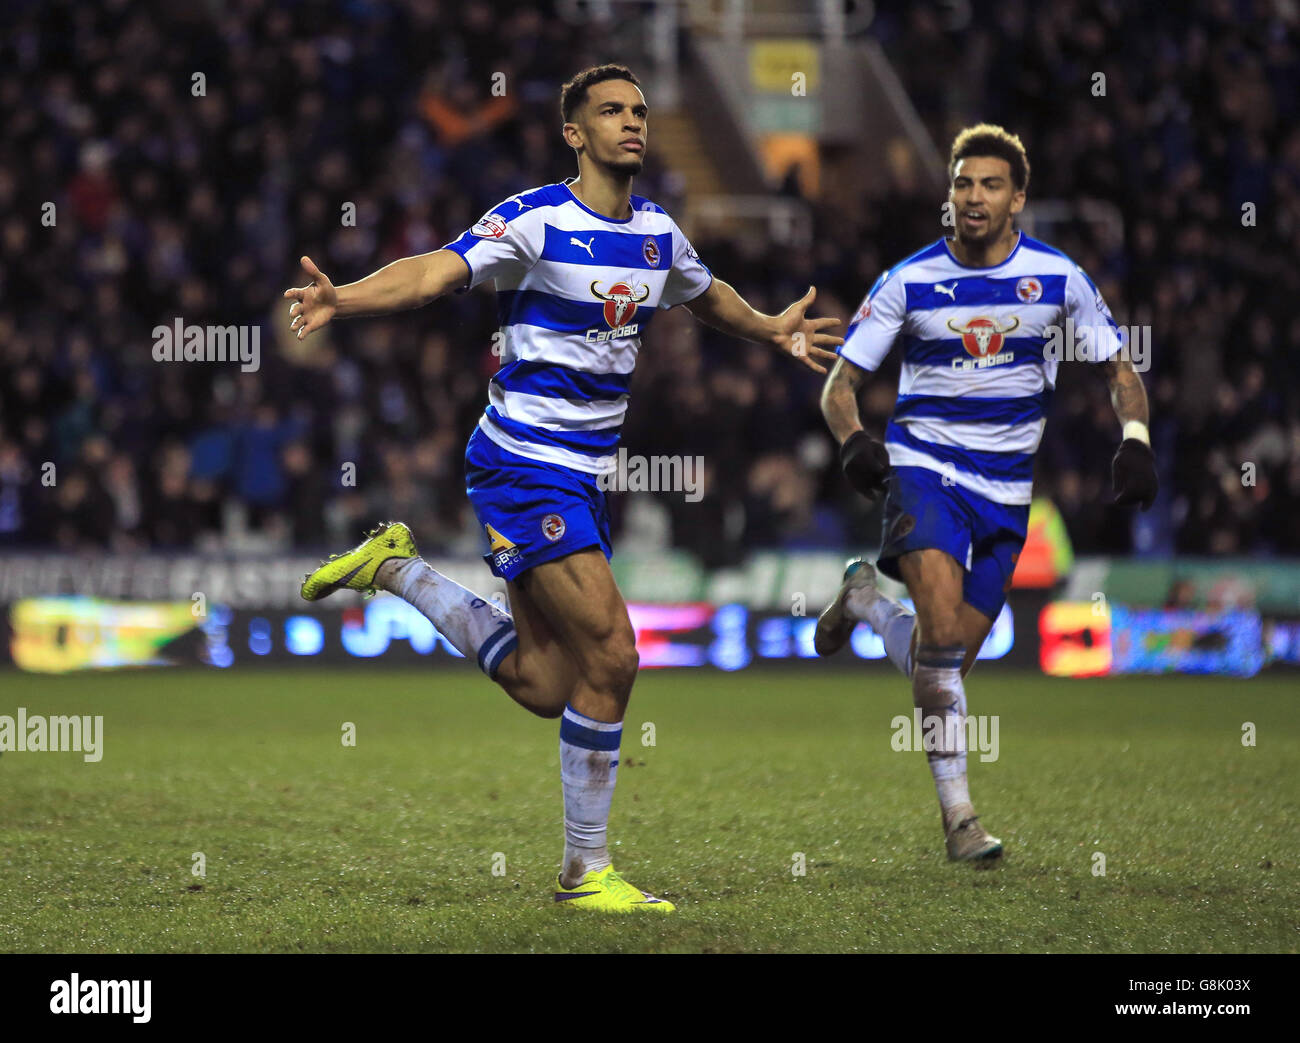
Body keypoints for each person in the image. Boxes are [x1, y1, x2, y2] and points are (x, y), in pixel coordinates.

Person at [285, 65, 843, 910]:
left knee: (546, 684)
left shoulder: (657, 234)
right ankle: (586, 871)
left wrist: (770, 328)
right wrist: (347, 298)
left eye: (641, 111)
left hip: (584, 481)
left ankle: (396, 567)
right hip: (522, 464)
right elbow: (435, 271)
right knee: (616, 654)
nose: (633, 123)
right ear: (575, 132)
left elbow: (706, 294)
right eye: (611, 112)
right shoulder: (535, 220)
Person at [815, 123, 1157, 862]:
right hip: (925, 469)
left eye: (990, 185)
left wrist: (1135, 440)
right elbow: (842, 382)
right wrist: (853, 439)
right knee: (938, 642)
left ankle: (866, 601)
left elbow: (1119, 370)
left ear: (1018, 199)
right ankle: (961, 819)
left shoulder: (1059, 278)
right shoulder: (908, 280)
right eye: (963, 183)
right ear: (951, 194)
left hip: (1008, 497)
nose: (973, 196)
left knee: (941, 661)